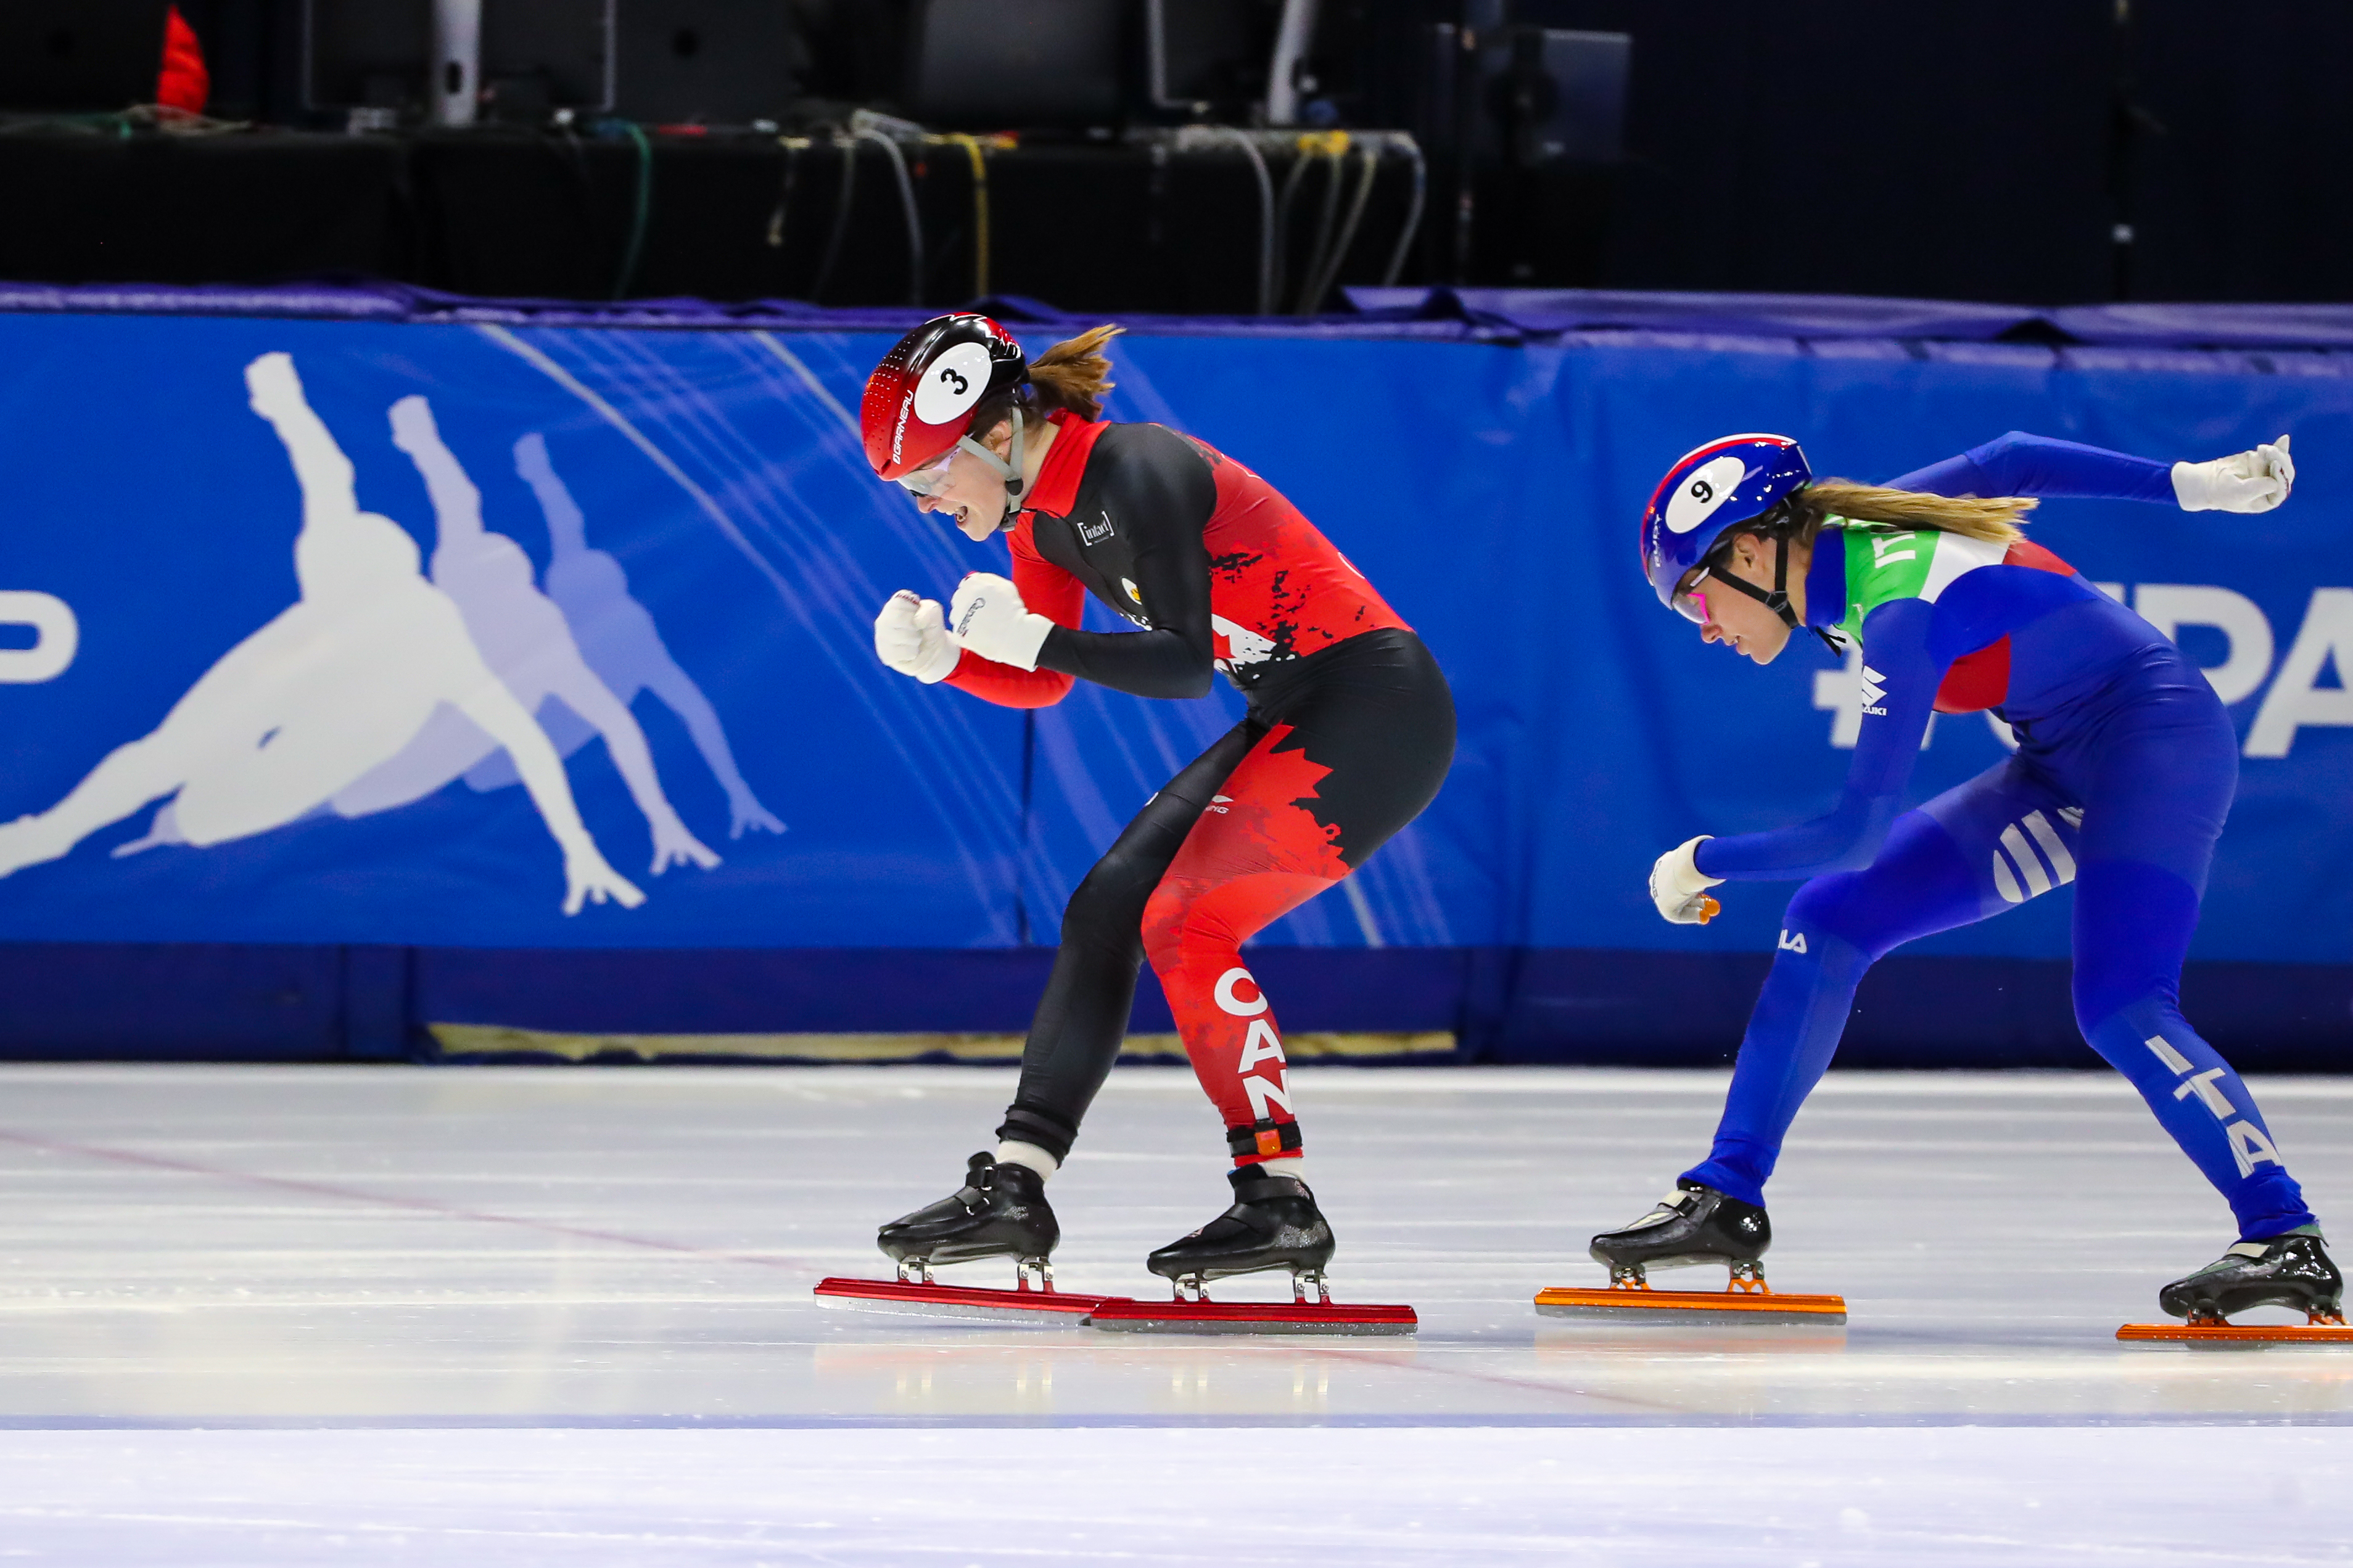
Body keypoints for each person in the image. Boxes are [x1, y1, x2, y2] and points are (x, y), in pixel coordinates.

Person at [1597, 427, 2339, 1326]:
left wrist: (1701, 859)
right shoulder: (1842, 538)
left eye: (1693, 601)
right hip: (2059, 764)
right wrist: (2184, 485)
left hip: (2158, 745)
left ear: (1749, 548)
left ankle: (2283, 1232)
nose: (1706, 628)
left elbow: (1851, 831)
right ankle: (1725, 1193)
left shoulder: (1897, 606)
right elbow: (2007, 460)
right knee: (1825, 921)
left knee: (2120, 1002)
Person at [859, 315, 1454, 1297]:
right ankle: (1016, 1182)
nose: (925, 503)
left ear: (996, 437)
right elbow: (1045, 679)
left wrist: (1031, 642)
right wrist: (950, 661)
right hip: (1298, 703)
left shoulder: (1135, 467)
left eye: (927, 476)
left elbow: (1180, 666)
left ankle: (1278, 1196)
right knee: (1105, 910)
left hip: (1374, 704)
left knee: (1187, 918)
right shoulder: (1037, 517)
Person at [0, 352, 643, 918]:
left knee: (199, 818)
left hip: (333, 740)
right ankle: (44, 836)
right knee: (162, 757)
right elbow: (326, 475)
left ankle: (134, 834)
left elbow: (528, 743)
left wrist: (579, 846)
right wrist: (287, 404)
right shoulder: (339, 562)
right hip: (284, 674)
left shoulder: (437, 641)